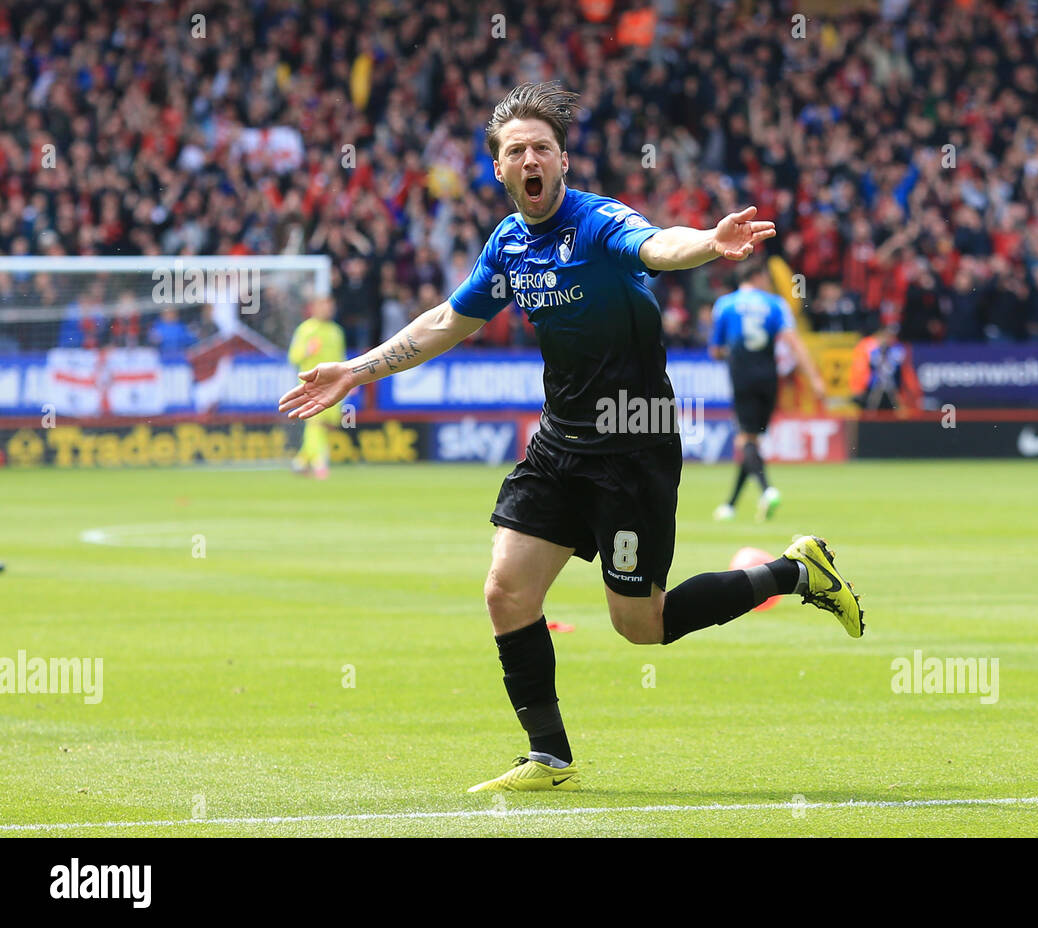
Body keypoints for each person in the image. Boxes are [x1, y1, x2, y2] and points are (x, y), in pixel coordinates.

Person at [278, 82, 864, 792]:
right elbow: (446, 322)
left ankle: (797, 571)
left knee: (640, 625)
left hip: (632, 446)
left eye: (543, 149)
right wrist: (358, 371)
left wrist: (708, 242)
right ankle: (549, 756)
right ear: (498, 168)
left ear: (562, 161)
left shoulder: (597, 223)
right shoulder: (507, 245)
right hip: (561, 444)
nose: (531, 160)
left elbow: (657, 244)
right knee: (506, 592)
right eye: (517, 150)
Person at [708, 261, 825, 522]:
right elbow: (794, 342)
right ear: (759, 276)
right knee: (751, 442)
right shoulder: (776, 304)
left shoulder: (725, 304)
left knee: (745, 441)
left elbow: (715, 350)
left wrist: (729, 354)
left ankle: (767, 490)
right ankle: (730, 505)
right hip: (769, 379)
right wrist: (815, 378)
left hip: (743, 377)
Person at [287, 296, 347, 479]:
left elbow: (341, 358)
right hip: (312, 386)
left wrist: (350, 381)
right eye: (324, 306)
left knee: (327, 425)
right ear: (314, 308)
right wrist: (307, 351)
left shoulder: (336, 331)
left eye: (330, 306)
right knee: (315, 424)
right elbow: (293, 357)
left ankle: (301, 461)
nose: (328, 310)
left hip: (334, 386)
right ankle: (319, 464)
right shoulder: (306, 330)